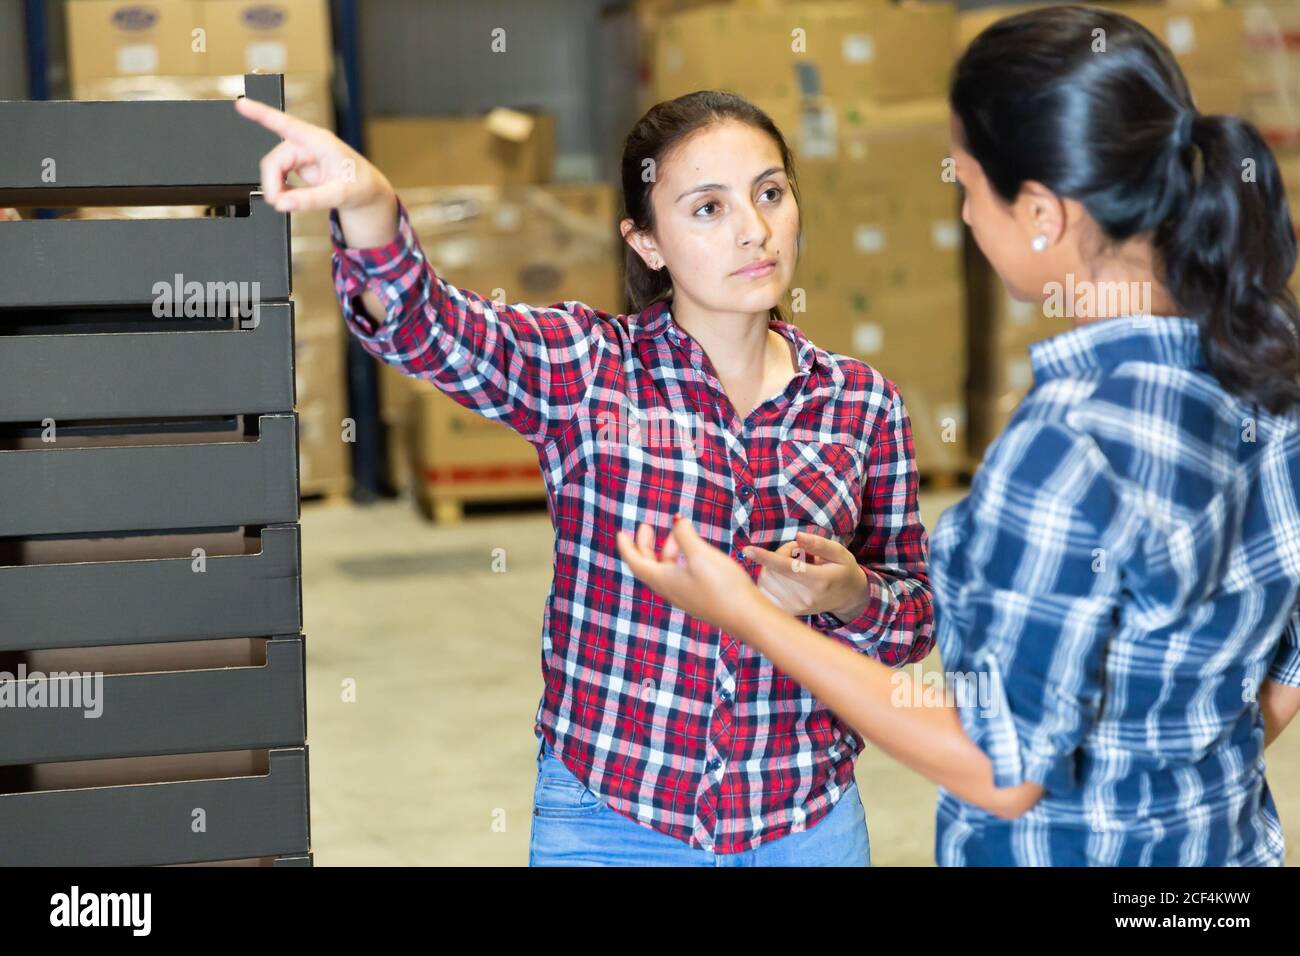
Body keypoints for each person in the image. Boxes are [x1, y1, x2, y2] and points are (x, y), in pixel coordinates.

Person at [617, 6, 1300, 866]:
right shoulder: (1265, 373)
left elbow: (997, 767)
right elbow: (1286, 660)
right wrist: (1178, 763)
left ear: (1042, 214)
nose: (970, 221)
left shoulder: (1066, 446)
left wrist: (746, 614)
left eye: (969, 189)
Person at [236, 89, 934, 865]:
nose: (754, 229)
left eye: (770, 193)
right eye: (707, 208)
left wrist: (853, 596)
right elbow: (426, 326)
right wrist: (369, 205)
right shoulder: (590, 370)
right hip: (611, 823)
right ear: (648, 243)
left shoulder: (861, 404)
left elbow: (912, 621)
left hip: (809, 821)